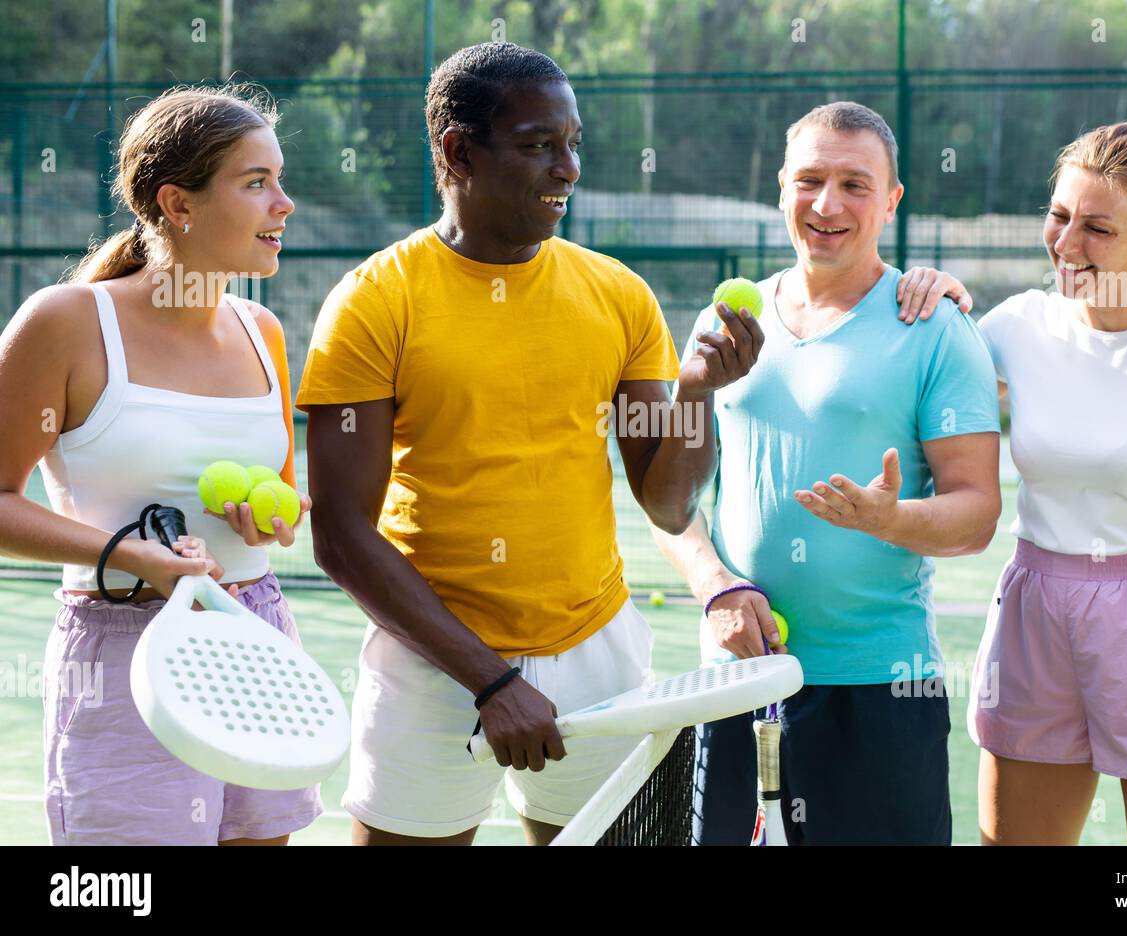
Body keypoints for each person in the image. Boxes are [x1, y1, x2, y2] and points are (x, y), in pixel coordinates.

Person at [295, 42, 761, 846]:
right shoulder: (373, 301)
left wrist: (697, 395)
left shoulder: (617, 294)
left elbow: (666, 498)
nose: (568, 169)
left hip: (597, 653)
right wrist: (490, 680)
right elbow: (340, 535)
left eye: (574, 143)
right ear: (458, 151)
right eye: (539, 144)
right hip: (432, 663)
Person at [896, 121, 1127, 845]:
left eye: (1097, 227)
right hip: (1034, 616)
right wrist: (939, 303)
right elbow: (930, 391)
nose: (1065, 245)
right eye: (1059, 216)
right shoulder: (1013, 327)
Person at [651, 101, 1002, 845]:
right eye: (810, 180)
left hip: (879, 690)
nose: (828, 204)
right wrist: (716, 588)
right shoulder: (724, 326)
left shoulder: (936, 328)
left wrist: (892, 520)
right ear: (781, 188)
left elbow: (977, 513)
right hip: (735, 683)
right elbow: (671, 506)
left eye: (855, 184)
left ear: (892, 200)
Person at [0, 85, 317, 845]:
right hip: (122, 651)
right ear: (180, 203)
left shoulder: (262, 330)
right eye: (256, 183)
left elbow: (282, 501)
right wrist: (129, 556)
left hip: (254, 631)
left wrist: (273, 513)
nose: (286, 204)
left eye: (279, 179)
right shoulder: (66, 322)